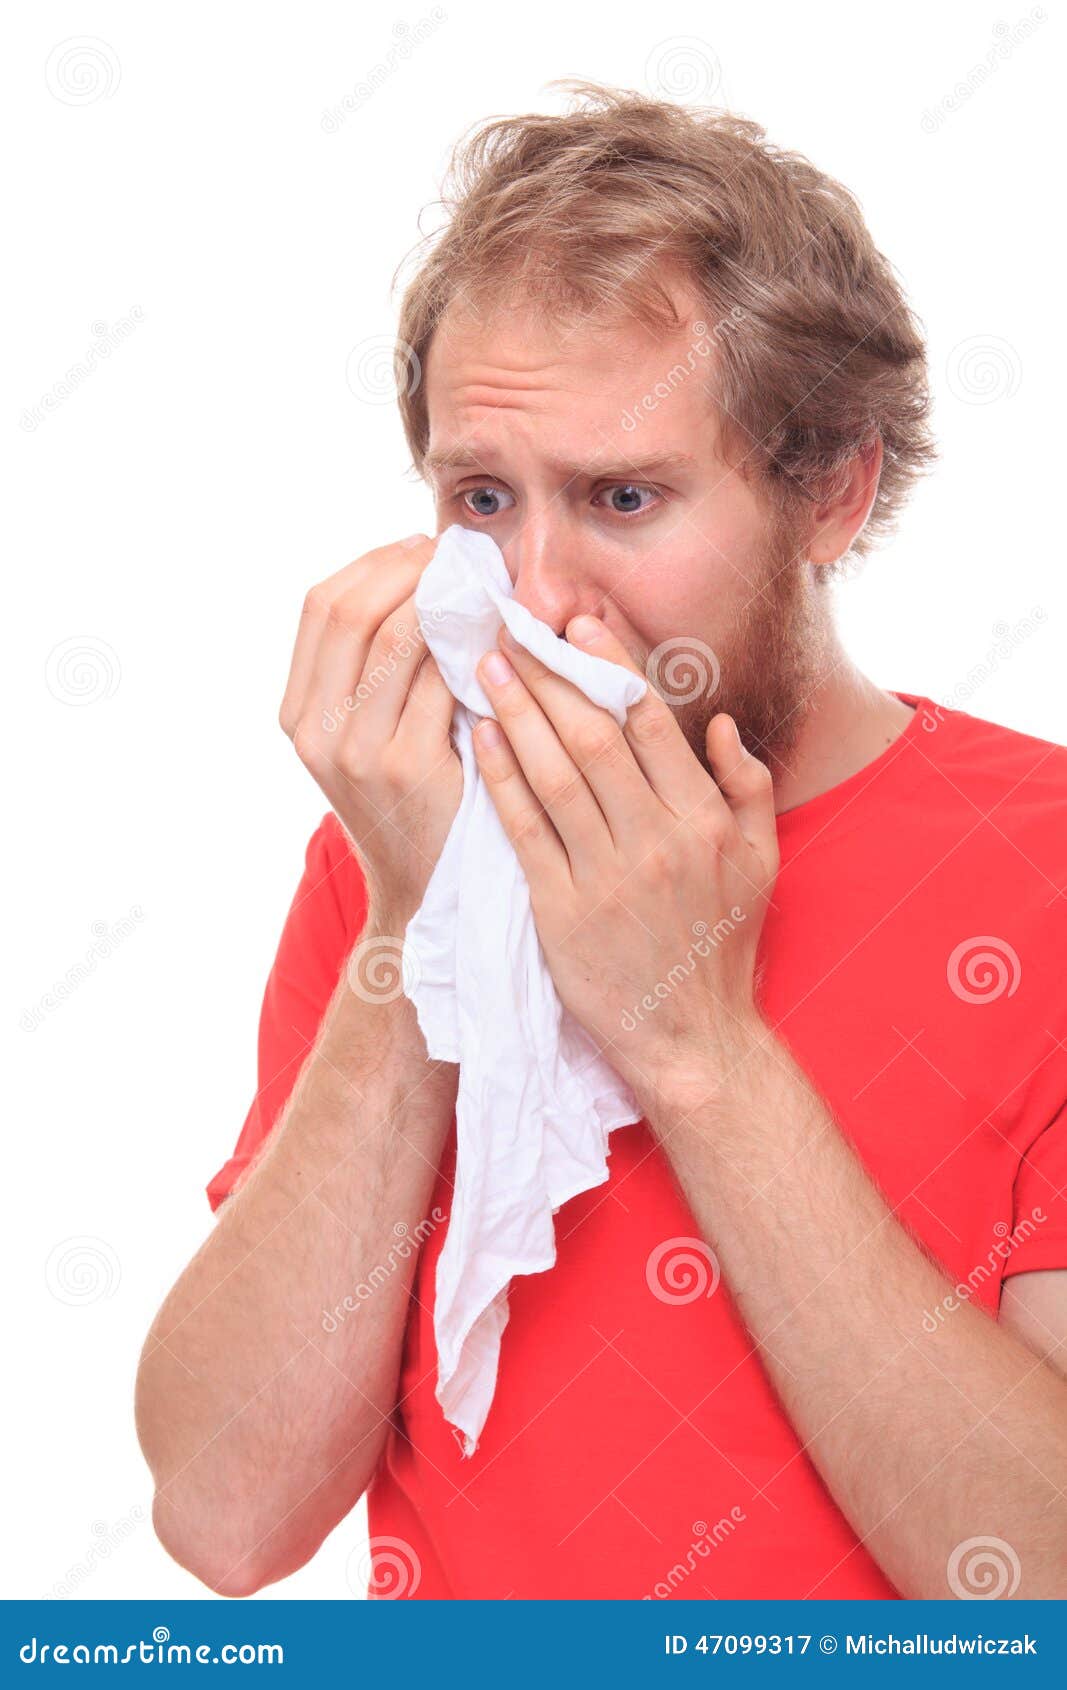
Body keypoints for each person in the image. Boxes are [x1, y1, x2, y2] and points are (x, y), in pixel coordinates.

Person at [135, 82, 1067, 1601]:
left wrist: (694, 1040)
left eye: (622, 497)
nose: (537, 599)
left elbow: (1040, 1581)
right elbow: (224, 1515)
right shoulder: (405, 845)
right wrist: (418, 927)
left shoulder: (1045, 876)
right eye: (481, 499)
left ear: (831, 491)